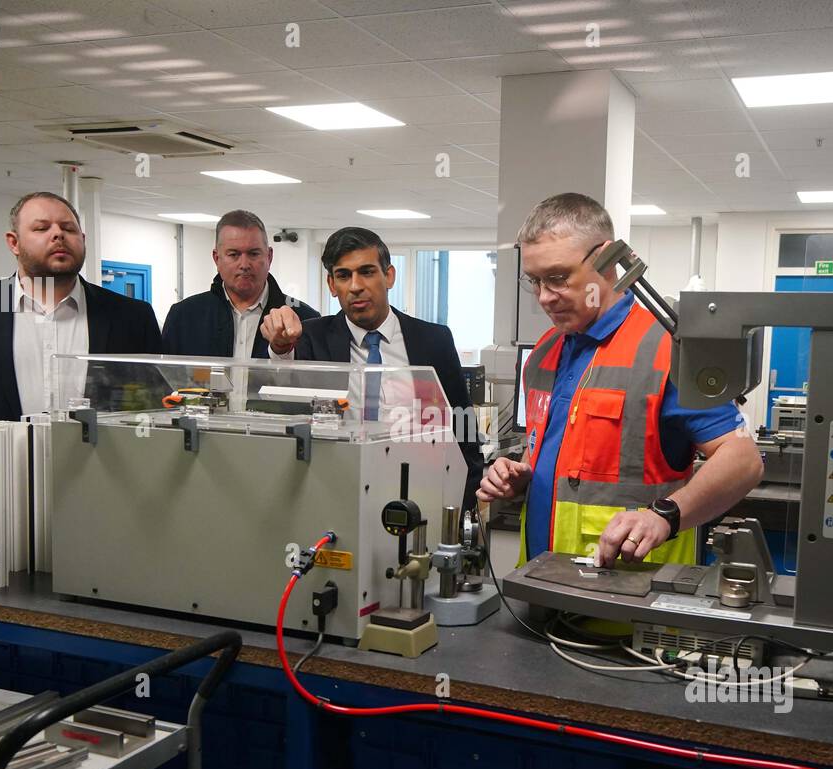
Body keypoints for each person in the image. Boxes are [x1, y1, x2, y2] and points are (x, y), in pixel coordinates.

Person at [476, 193, 763, 567]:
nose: (545, 297)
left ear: (607, 259)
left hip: (630, 600)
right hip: (541, 588)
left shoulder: (666, 350)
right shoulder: (544, 353)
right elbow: (550, 450)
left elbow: (744, 460)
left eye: (558, 278)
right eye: (535, 281)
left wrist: (664, 516)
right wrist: (520, 473)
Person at [260, 226, 483, 509]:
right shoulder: (310, 338)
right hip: (334, 494)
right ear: (331, 285)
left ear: (388, 276)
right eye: (343, 275)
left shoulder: (432, 340)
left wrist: (460, 508)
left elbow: (462, 430)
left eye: (366, 272)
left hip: (416, 495)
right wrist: (280, 347)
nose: (355, 286)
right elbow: (282, 387)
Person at [0, 191, 161, 420]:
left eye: (68, 229)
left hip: (99, 467)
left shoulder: (131, 316)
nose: (58, 234)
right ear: (13, 242)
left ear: (83, 239)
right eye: (41, 228)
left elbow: (156, 407)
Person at [161, 209, 319, 357]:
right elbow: (165, 380)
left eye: (253, 253)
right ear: (217, 258)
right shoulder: (184, 316)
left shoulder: (306, 319)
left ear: (269, 257)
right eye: (234, 254)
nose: (244, 264)